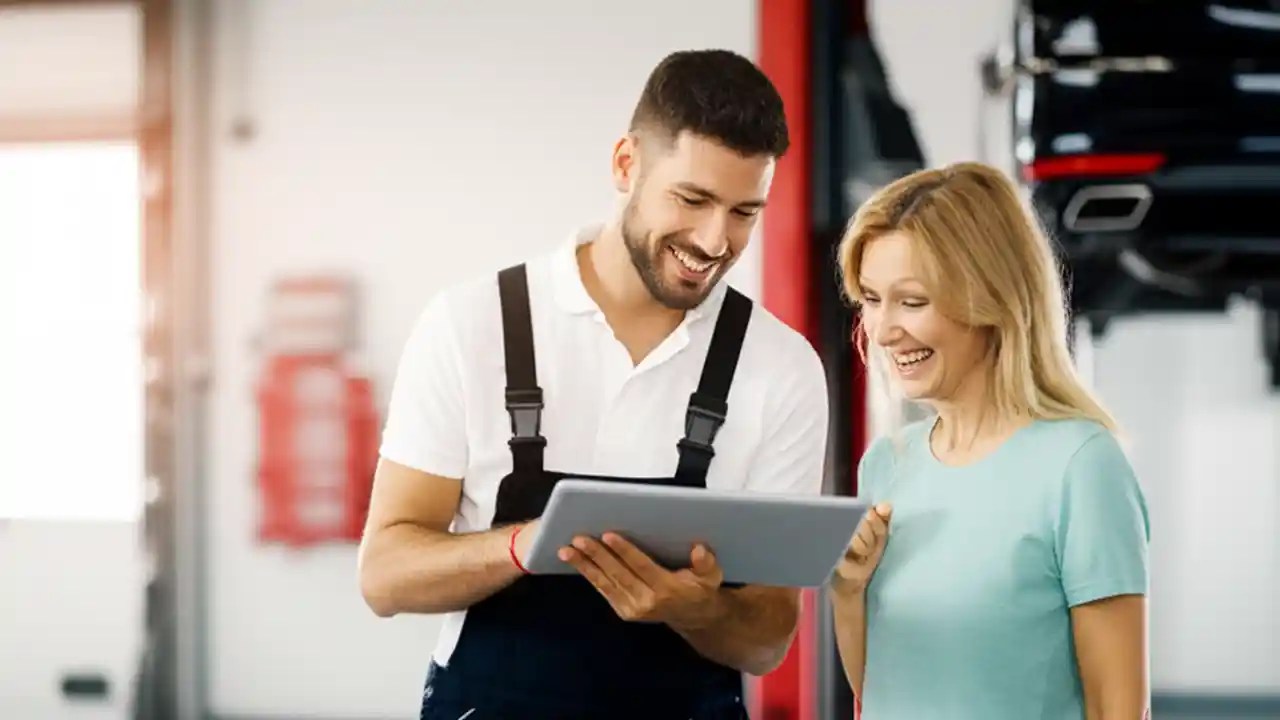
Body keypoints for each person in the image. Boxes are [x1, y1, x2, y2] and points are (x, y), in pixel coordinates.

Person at [357, 49, 830, 720]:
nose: (713, 239)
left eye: (743, 212)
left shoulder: (782, 368)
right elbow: (384, 576)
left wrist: (697, 610)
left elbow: (768, 638)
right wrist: (524, 546)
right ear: (626, 164)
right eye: (692, 199)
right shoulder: (470, 325)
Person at [828, 162, 1151, 719]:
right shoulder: (886, 464)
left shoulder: (1080, 465)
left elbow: (1117, 709)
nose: (882, 331)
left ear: (990, 298)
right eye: (872, 299)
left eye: (912, 301)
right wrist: (848, 591)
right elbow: (881, 691)